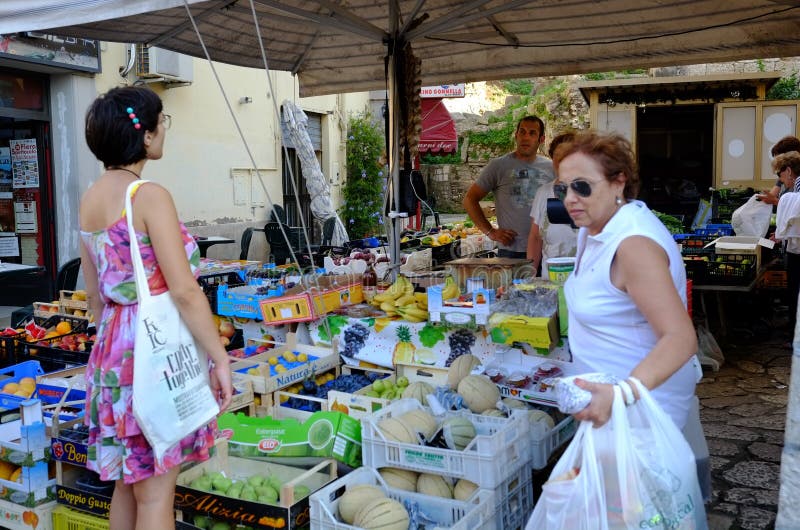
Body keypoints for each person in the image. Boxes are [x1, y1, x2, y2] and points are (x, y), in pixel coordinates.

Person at [79, 86, 233, 530]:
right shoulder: (148, 195)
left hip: (113, 350)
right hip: (153, 352)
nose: (164, 129)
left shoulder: (89, 200)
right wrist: (219, 359)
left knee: (130, 485)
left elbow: (94, 297)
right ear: (145, 135)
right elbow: (184, 291)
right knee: (156, 494)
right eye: (162, 121)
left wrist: (118, 345)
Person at [554, 130, 699, 430]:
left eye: (582, 187)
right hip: (610, 404)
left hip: (641, 412)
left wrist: (622, 393)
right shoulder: (594, 226)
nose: (570, 199)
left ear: (618, 181)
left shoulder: (633, 245)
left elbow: (680, 339)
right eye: (563, 189)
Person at [463, 116, 555, 258]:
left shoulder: (552, 168)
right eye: (522, 132)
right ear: (516, 135)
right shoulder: (498, 166)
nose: (526, 137)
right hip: (511, 251)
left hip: (546, 250)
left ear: (541, 139)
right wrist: (491, 232)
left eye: (532, 133)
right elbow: (469, 199)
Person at [527, 131, 578, 276]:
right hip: (551, 280)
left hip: (585, 282)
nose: (562, 162)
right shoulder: (543, 193)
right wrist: (530, 274)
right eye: (557, 157)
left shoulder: (593, 192)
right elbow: (535, 237)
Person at [772, 151, 800, 335]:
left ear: (789, 171)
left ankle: (794, 336)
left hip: (798, 253)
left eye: (781, 176)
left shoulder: (795, 193)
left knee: (795, 292)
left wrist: (783, 233)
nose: (782, 181)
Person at [757, 135, 800, 205]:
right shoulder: (791, 178)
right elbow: (771, 195)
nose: (780, 178)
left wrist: (776, 201)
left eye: (780, 165)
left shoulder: (798, 181)